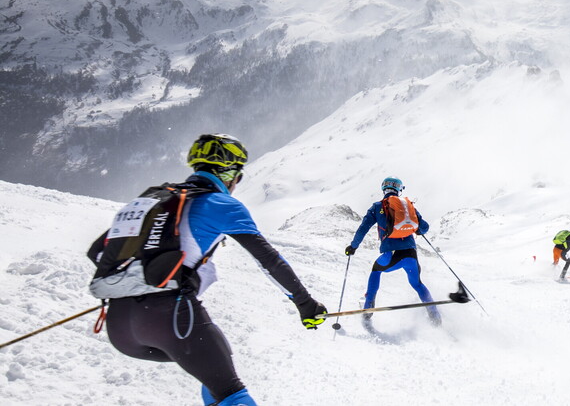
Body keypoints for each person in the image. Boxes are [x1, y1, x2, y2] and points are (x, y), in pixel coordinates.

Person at [87, 134, 327, 406]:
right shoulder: (221, 204)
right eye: (239, 175)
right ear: (230, 174)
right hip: (168, 318)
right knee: (231, 393)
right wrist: (306, 305)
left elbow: (98, 250)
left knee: (214, 371)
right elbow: (268, 261)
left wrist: (135, 286)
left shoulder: (154, 201)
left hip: (120, 327)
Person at [345, 177, 441, 325]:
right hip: (411, 255)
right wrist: (418, 230)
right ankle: (435, 316)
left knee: (376, 271)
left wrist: (353, 246)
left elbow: (363, 228)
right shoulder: (408, 207)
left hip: (391, 255)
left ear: (383, 188)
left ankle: (368, 308)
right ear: (399, 189)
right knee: (417, 284)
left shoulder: (377, 207)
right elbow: (424, 227)